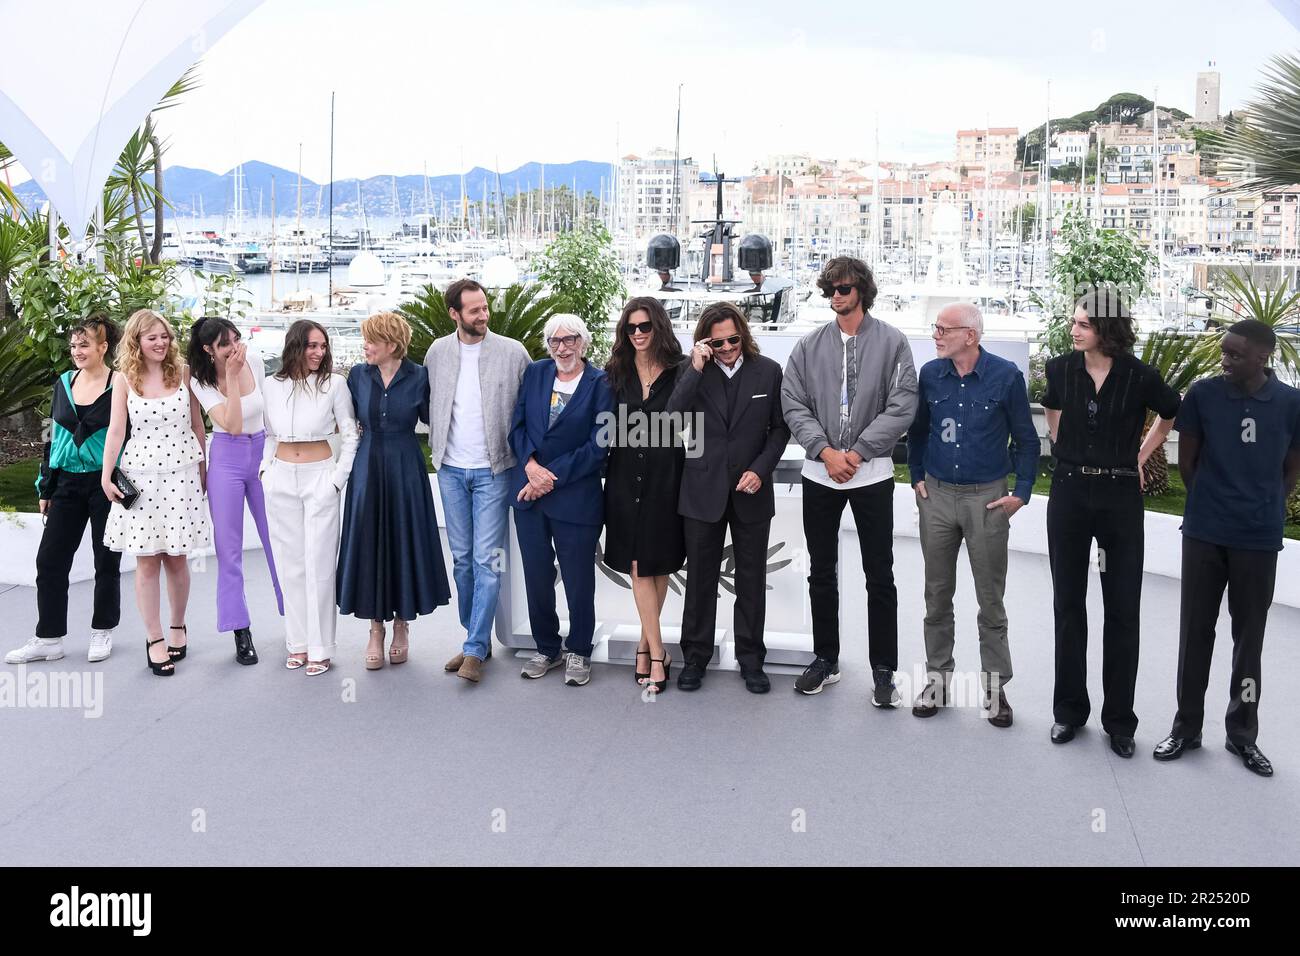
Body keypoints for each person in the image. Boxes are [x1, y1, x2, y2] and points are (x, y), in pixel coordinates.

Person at [1153, 320, 1300, 776]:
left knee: (1249, 641)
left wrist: (1264, 508)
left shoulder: (1291, 403)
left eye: (1235, 354)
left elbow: (1291, 468)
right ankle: (1186, 727)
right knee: (1195, 632)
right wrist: (1210, 506)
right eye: (1224, 351)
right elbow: (1189, 463)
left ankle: (1242, 734)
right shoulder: (1203, 395)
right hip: (1205, 534)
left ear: (1262, 357)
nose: (1225, 359)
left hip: (1257, 538)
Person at [1042, 285, 1180, 757]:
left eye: (1083, 324)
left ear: (1106, 329)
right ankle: (1068, 712)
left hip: (1121, 496)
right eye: (1074, 322)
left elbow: (1171, 411)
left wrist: (1141, 456)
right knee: (1068, 604)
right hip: (1069, 494)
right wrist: (1067, 452)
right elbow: (1052, 408)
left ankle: (1120, 720)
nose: (1073, 330)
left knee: (1122, 608)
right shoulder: (1060, 369)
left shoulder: (1140, 375)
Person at [781, 256, 918, 702]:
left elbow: (902, 406)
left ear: (862, 289)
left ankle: (884, 670)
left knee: (880, 574)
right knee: (821, 572)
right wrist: (824, 451)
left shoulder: (894, 342)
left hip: (872, 474)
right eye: (831, 289)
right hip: (819, 474)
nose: (836, 296)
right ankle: (826, 659)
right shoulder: (806, 345)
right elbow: (792, 403)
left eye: (844, 288)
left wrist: (856, 453)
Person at [906, 303, 1039, 726]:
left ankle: (996, 691)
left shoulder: (1006, 377)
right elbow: (918, 430)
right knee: (936, 596)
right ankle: (937, 682)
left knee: (990, 601)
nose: (936, 335)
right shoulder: (930, 375)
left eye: (944, 329)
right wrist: (916, 476)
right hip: (938, 497)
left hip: (988, 499)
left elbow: (1026, 440)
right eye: (935, 328)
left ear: (971, 335)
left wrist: (1022, 493)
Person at [667, 301, 789, 694]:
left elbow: (779, 430)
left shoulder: (768, 371)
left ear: (744, 334)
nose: (727, 348)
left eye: (733, 339)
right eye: (717, 342)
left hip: (751, 490)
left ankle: (751, 659)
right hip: (702, 491)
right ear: (705, 341)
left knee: (751, 581)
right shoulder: (692, 372)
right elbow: (672, 417)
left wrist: (760, 469)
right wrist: (697, 366)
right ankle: (695, 658)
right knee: (700, 579)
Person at [424, 278, 530, 683]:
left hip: (493, 470)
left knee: (488, 560)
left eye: (484, 307)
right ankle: (478, 639)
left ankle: (472, 650)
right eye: (473, 310)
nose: (483, 315)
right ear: (455, 314)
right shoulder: (437, 353)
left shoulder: (513, 353)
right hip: (450, 470)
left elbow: (528, 409)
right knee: (463, 561)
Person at [100, 309, 211, 676]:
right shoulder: (123, 379)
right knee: (147, 560)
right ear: (137, 341)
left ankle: (178, 625)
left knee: (177, 558)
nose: (161, 343)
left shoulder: (183, 373)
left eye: (164, 336)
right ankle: (154, 637)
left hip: (181, 474)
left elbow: (197, 424)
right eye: (152, 338)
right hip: (140, 476)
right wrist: (106, 474)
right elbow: (116, 430)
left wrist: (203, 470)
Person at [337, 311, 451, 668]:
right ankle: (375, 629)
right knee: (370, 542)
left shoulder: (419, 376)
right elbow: (340, 417)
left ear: (391, 343)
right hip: (367, 466)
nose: (365, 346)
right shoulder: (358, 375)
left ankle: (401, 625)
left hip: (405, 466)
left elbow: (440, 417)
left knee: (402, 539)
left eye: (371, 340)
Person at [7, 316, 122, 666]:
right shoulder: (63, 382)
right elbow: (54, 439)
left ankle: (102, 629)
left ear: (103, 347)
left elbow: (126, 434)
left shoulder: (120, 384)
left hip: (105, 482)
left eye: (84, 344)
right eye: (74, 345)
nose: (77, 351)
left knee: (106, 561)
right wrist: (47, 484)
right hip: (67, 484)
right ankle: (48, 637)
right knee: (50, 561)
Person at [509, 314, 614, 687]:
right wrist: (531, 467)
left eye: (569, 339)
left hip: (575, 499)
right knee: (537, 577)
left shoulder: (601, 382)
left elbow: (599, 445)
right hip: (529, 497)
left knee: (578, 580)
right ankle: (547, 647)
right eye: (554, 341)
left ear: (583, 342)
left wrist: (547, 479)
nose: (562, 347)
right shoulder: (536, 374)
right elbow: (517, 426)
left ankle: (580, 650)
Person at [261, 320, 359, 676]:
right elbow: (268, 435)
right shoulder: (272, 386)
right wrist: (265, 473)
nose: (319, 352)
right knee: (290, 565)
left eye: (323, 346)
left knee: (319, 564)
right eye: (311, 346)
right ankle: (297, 643)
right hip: (281, 478)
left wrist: (337, 480)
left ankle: (321, 648)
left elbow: (349, 434)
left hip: (321, 477)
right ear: (295, 347)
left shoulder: (335, 384)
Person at [187, 317, 283, 665]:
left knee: (278, 540)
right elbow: (232, 423)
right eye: (224, 344)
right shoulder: (201, 379)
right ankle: (240, 631)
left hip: (261, 454)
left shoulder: (254, 361)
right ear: (208, 349)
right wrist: (229, 375)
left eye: (236, 339)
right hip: (226, 456)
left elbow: (268, 416)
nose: (234, 348)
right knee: (229, 550)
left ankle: (297, 619)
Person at [603, 296, 686, 694]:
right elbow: (604, 427)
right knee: (638, 565)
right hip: (623, 479)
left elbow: (692, 421)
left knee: (659, 565)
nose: (637, 334)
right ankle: (657, 654)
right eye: (631, 328)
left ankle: (643, 643)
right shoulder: (615, 372)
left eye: (645, 327)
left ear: (658, 327)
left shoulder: (681, 369)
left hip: (667, 478)